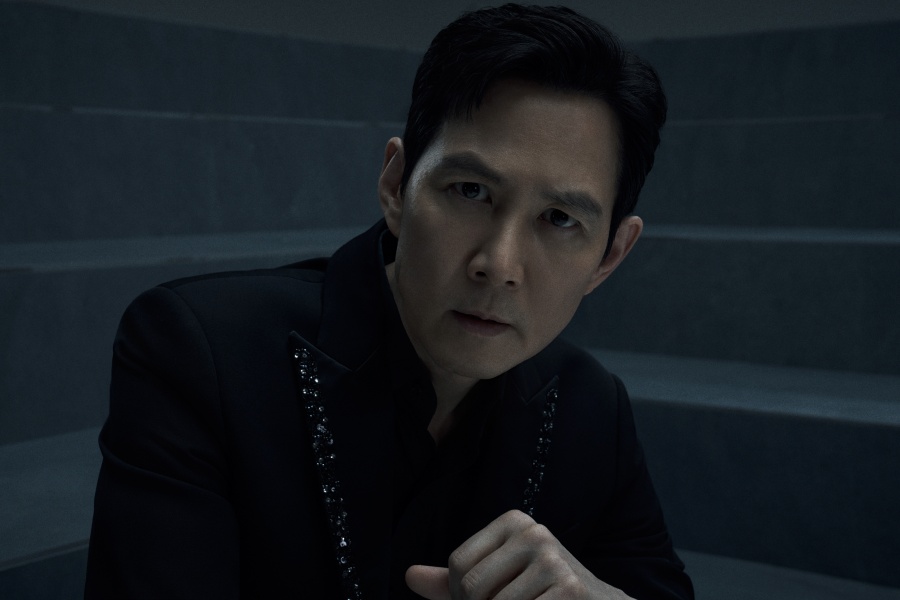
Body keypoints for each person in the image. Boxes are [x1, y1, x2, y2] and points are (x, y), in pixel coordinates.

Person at [85, 4, 693, 599]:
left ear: (610, 256)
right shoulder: (200, 351)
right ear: (397, 186)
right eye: (471, 191)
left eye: (559, 219)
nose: (499, 265)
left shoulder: (593, 407)